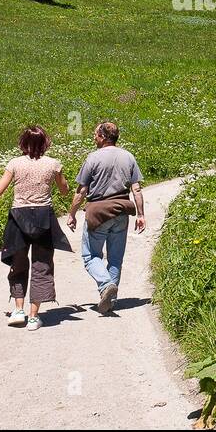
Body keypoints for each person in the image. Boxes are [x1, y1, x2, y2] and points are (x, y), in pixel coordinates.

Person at [0, 125, 72, 331]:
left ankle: (18, 310)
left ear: (23, 142)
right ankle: (33, 317)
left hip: (18, 218)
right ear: (45, 143)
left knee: (19, 264)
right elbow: (65, 191)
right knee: (42, 266)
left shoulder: (14, 163)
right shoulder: (53, 164)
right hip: (43, 218)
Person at [67, 120, 145, 314]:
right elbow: (136, 189)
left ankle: (106, 286)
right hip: (121, 211)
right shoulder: (128, 157)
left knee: (90, 256)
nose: (93, 137)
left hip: (98, 213)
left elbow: (81, 191)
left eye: (95, 134)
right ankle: (110, 300)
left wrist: (72, 214)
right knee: (115, 258)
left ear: (102, 137)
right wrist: (141, 214)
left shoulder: (93, 158)